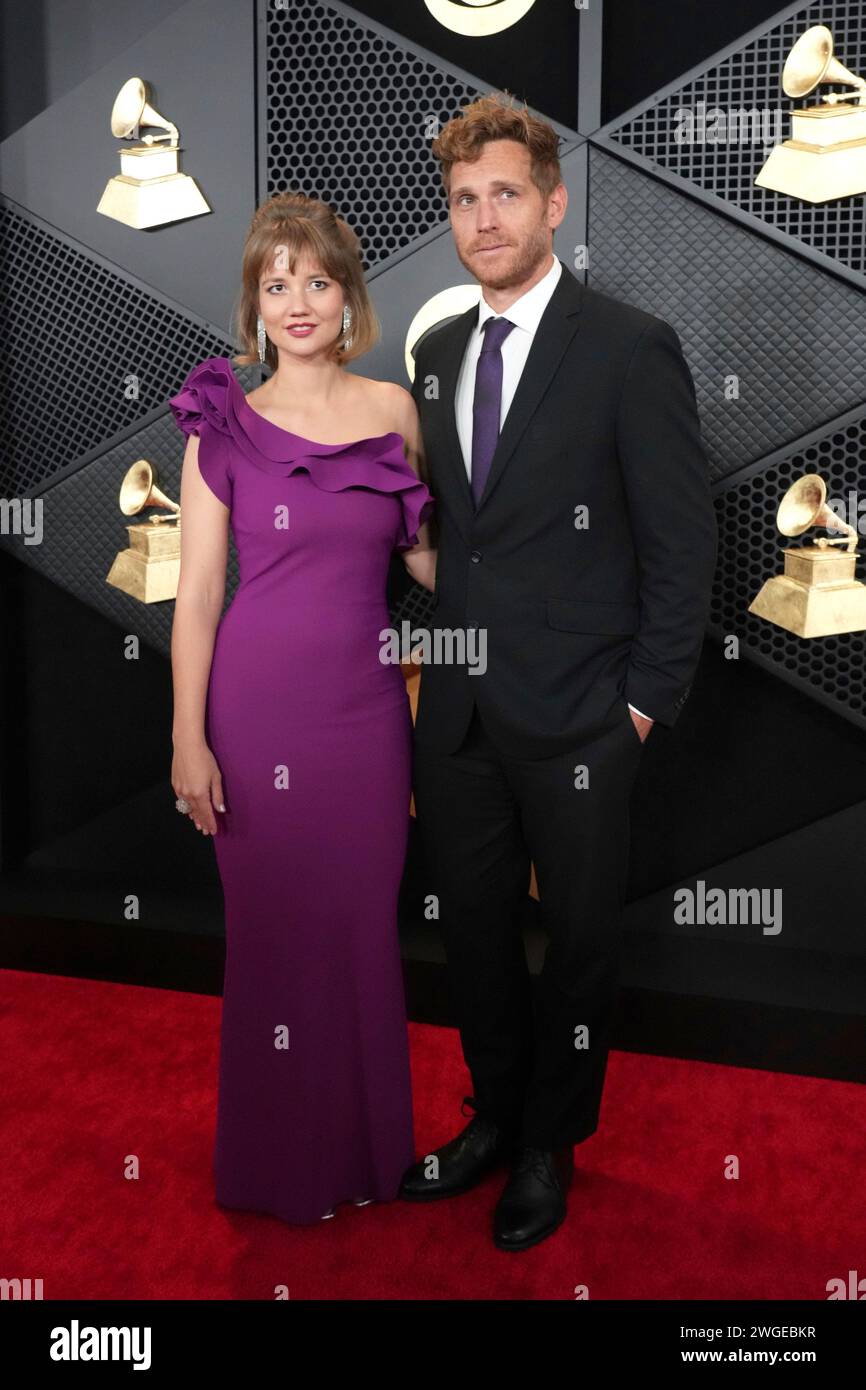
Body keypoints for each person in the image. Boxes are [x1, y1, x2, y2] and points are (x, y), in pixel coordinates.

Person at [399, 94, 718, 1251]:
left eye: (504, 196)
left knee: (576, 942)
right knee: (473, 932)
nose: (483, 221)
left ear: (552, 202)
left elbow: (683, 547)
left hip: (585, 719)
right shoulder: (435, 354)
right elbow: (456, 536)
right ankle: (490, 1115)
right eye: (464, 201)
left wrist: (636, 708)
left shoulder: (628, 347)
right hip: (462, 710)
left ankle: (548, 1143)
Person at [168, 191, 435, 1225]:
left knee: (360, 926)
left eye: (314, 281)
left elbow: (427, 560)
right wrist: (187, 735)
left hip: (363, 720)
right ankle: (279, 1168)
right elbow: (194, 596)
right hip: (254, 707)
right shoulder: (218, 422)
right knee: (274, 932)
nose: (296, 301)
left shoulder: (393, 412)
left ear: (346, 295)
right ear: (254, 303)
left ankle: (365, 1158)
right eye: (275, 284)